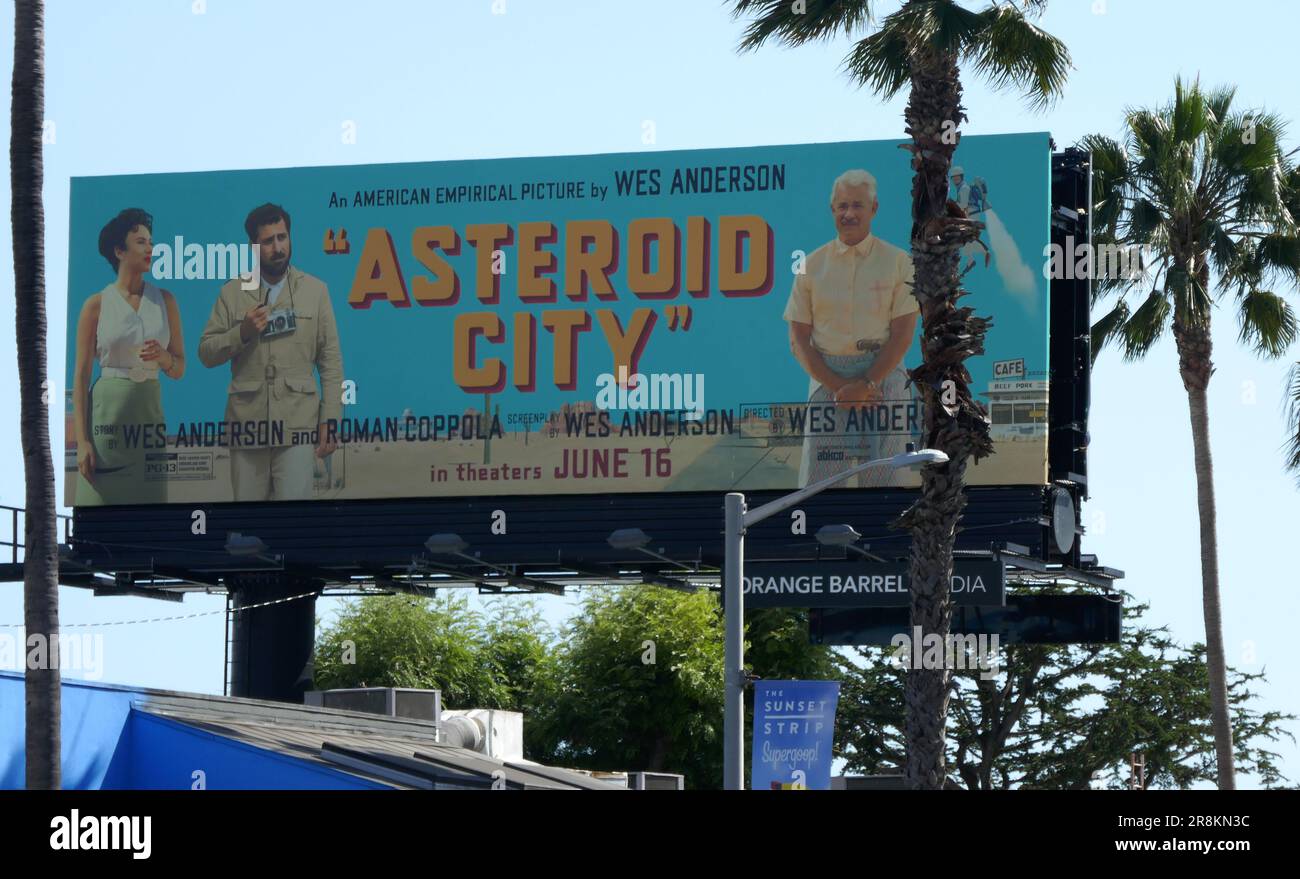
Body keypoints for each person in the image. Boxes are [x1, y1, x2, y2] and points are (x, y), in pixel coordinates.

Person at [783, 169, 920, 488]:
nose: (849, 213)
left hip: (884, 374)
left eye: (857, 205)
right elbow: (798, 340)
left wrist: (867, 381)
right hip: (826, 376)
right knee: (820, 484)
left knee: (886, 478)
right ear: (833, 210)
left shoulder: (898, 262)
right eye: (842, 206)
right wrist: (839, 388)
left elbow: (902, 335)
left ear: (874, 209)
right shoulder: (810, 265)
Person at [198, 203, 343, 501]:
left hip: (297, 425)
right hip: (247, 427)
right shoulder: (232, 292)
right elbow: (206, 353)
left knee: (294, 525)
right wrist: (242, 332)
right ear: (253, 247)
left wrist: (330, 419)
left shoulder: (316, 291)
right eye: (267, 241)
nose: (278, 247)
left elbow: (330, 362)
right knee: (249, 526)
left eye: (282, 237)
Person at [73, 208, 186, 505]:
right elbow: (82, 375)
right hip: (104, 426)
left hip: (148, 425)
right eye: (140, 242)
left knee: (150, 521)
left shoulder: (166, 300)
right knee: (98, 520)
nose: (150, 248)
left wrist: (163, 358)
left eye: (151, 241)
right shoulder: (95, 305)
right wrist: (82, 442)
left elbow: (179, 368)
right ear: (119, 251)